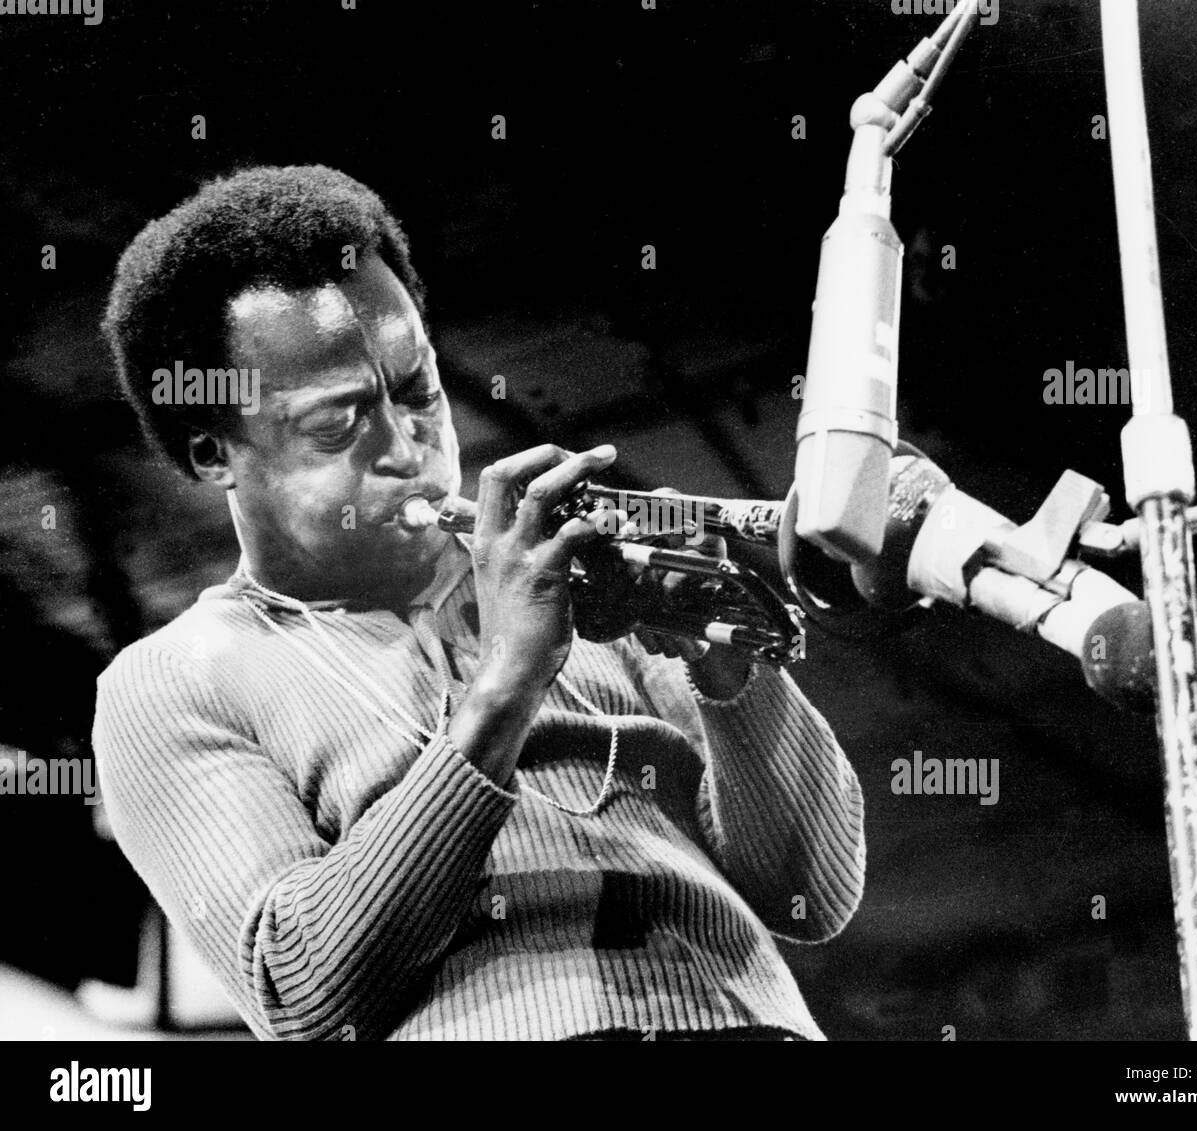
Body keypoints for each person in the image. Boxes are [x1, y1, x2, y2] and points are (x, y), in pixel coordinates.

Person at [92, 164, 866, 1041]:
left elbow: (813, 894)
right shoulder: (166, 683)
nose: (405, 447)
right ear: (211, 451)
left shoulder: (572, 567)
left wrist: (733, 676)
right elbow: (305, 998)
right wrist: (505, 684)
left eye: (417, 389)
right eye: (336, 425)